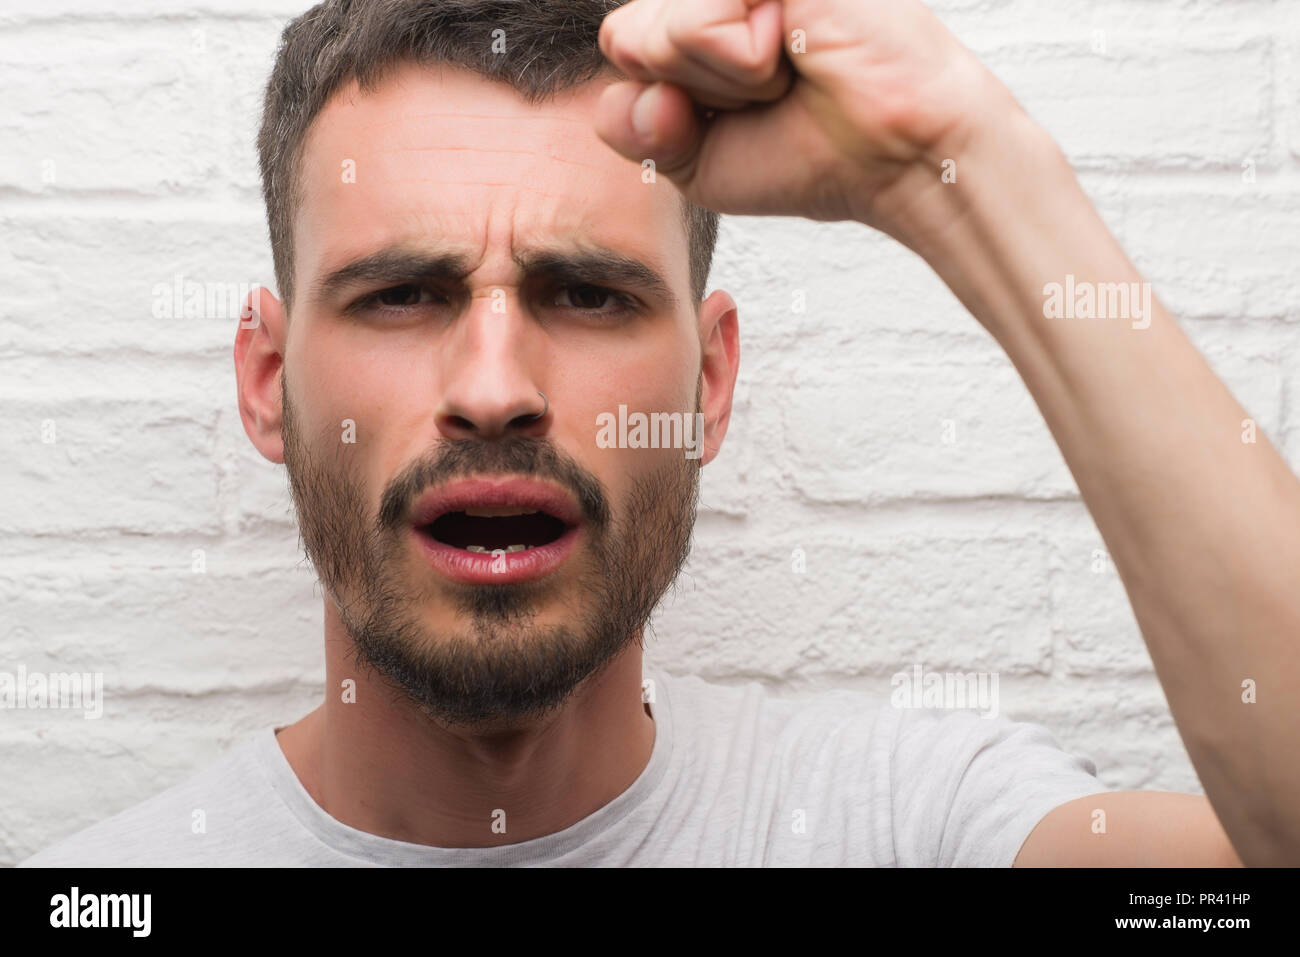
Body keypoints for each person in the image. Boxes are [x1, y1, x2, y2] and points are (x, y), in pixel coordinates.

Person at [22, 0, 1298, 867]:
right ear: (266, 380)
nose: (494, 386)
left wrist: (956, 167)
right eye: (401, 294)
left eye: (589, 294)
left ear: (709, 383)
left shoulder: (913, 830)